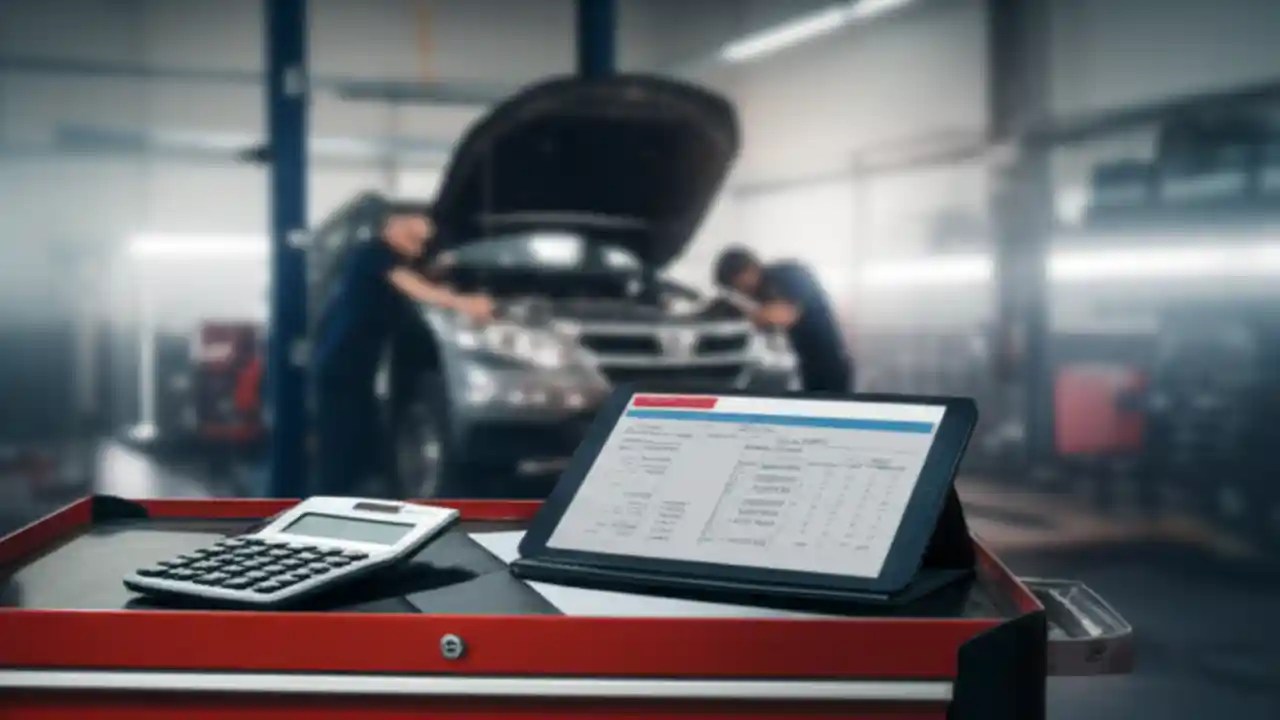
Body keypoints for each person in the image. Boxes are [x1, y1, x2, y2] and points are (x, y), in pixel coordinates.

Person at [313, 206, 494, 496]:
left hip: (363, 368)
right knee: (341, 444)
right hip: (342, 365)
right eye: (414, 239)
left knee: (362, 439)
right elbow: (414, 288)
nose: (419, 248)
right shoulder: (372, 253)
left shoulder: (390, 260)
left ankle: (351, 495)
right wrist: (466, 303)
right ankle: (331, 502)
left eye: (423, 242)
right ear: (393, 226)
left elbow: (419, 282)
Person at [714, 246, 854, 393]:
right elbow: (767, 325)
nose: (741, 292)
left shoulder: (789, 274)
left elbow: (785, 315)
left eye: (739, 285)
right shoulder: (761, 290)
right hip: (808, 364)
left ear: (749, 270)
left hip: (830, 365)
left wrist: (747, 313)